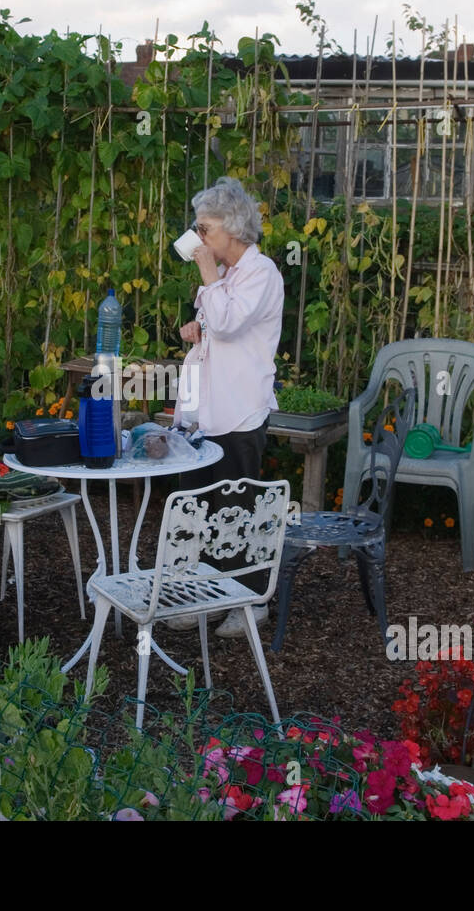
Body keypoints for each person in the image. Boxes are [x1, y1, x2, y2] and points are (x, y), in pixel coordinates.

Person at [171, 177, 285, 636]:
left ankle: (250, 602)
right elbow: (217, 324)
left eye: (205, 229)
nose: (199, 238)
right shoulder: (228, 275)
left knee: (236, 507)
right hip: (206, 409)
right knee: (197, 504)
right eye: (197, 229)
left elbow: (230, 319)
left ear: (233, 228)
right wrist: (195, 331)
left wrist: (206, 277)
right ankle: (198, 595)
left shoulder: (261, 272)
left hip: (238, 409)